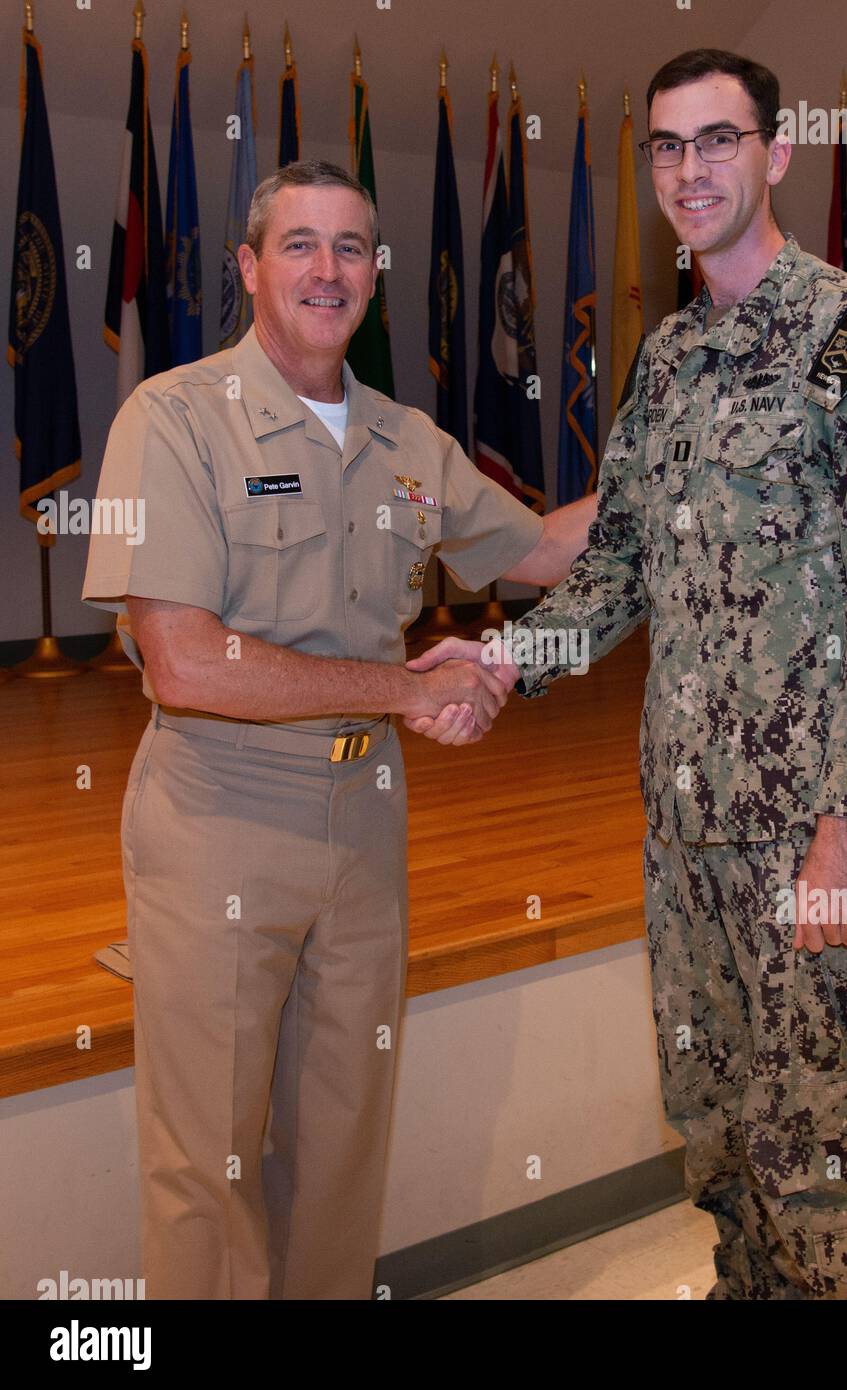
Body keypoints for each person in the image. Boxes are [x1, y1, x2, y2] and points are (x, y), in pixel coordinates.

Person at [408, 49, 847, 1299]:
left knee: (823, 1152)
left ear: (773, 154)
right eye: (665, 147)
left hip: (810, 833)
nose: (689, 170)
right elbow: (616, 575)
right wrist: (501, 660)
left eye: (717, 141)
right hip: (683, 832)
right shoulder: (665, 366)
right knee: (719, 1134)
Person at [80, 159, 595, 1299]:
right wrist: (407, 691)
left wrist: (679, 456)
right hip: (222, 810)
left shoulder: (406, 440)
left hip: (366, 821)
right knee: (206, 1156)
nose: (328, 270)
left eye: (352, 247)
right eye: (300, 244)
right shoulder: (169, 421)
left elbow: (540, 552)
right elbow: (182, 659)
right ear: (248, 266)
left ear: (376, 273)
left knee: (340, 1143)